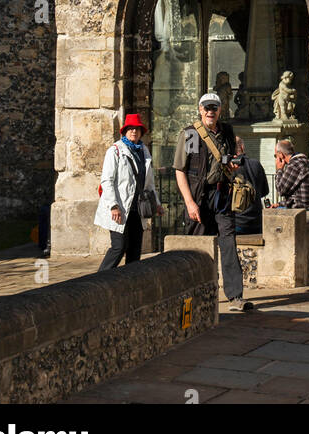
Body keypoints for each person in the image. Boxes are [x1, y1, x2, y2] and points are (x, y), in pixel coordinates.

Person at [173, 92, 252, 312]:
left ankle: (235, 296)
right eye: (206, 108)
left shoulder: (227, 131)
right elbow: (180, 170)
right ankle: (193, 294)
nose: (210, 112)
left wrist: (233, 166)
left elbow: (227, 160)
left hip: (222, 194)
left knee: (228, 242)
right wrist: (189, 203)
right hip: (199, 196)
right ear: (200, 110)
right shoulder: (190, 135)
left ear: (219, 110)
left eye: (214, 108)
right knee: (197, 245)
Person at [95, 113, 160, 270]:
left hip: (137, 208)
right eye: (130, 129)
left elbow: (149, 183)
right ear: (124, 131)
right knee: (119, 246)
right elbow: (107, 181)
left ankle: (130, 282)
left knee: (135, 248)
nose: (134, 132)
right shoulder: (115, 150)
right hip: (120, 207)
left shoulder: (144, 151)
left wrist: (156, 204)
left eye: (137, 129)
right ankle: (99, 279)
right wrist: (113, 205)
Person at [233, 136, 270, 235]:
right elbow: (265, 191)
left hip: (237, 221)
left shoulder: (230, 168)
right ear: (242, 147)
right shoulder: (256, 164)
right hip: (257, 220)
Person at [272, 138, 309, 209]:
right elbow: (297, 194)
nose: (276, 158)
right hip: (306, 206)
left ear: (281, 155)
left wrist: (279, 169)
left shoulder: (295, 165)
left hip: (299, 210)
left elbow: (281, 189)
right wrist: (279, 204)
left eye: (275, 155)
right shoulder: (305, 161)